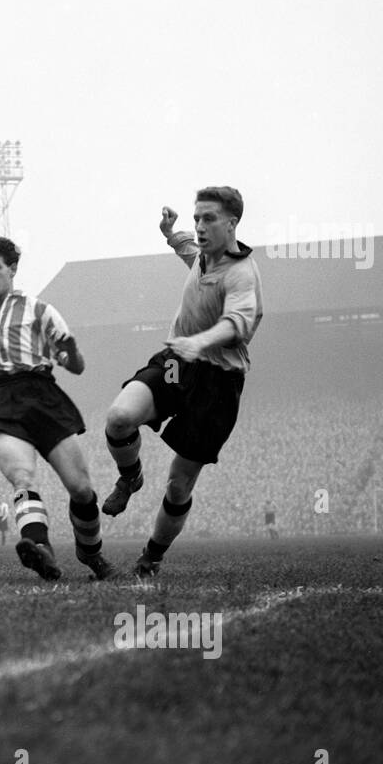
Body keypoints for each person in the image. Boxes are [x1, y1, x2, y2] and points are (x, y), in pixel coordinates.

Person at [0, 237, 117, 582]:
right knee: (21, 476)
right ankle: (38, 546)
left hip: (42, 395)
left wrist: (72, 352)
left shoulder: (40, 311)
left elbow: (75, 366)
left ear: (12, 269)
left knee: (81, 489)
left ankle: (91, 554)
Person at [100, 187, 264, 578]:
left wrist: (200, 341)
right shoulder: (204, 256)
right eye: (197, 218)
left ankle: (151, 557)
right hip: (178, 364)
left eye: (209, 219)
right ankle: (130, 477)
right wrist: (171, 233)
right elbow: (189, 251)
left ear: (232, 224)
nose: (200, 226)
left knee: (178, 484)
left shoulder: (242, 273)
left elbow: (238, 322)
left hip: (218, 383)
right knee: (120, 417)